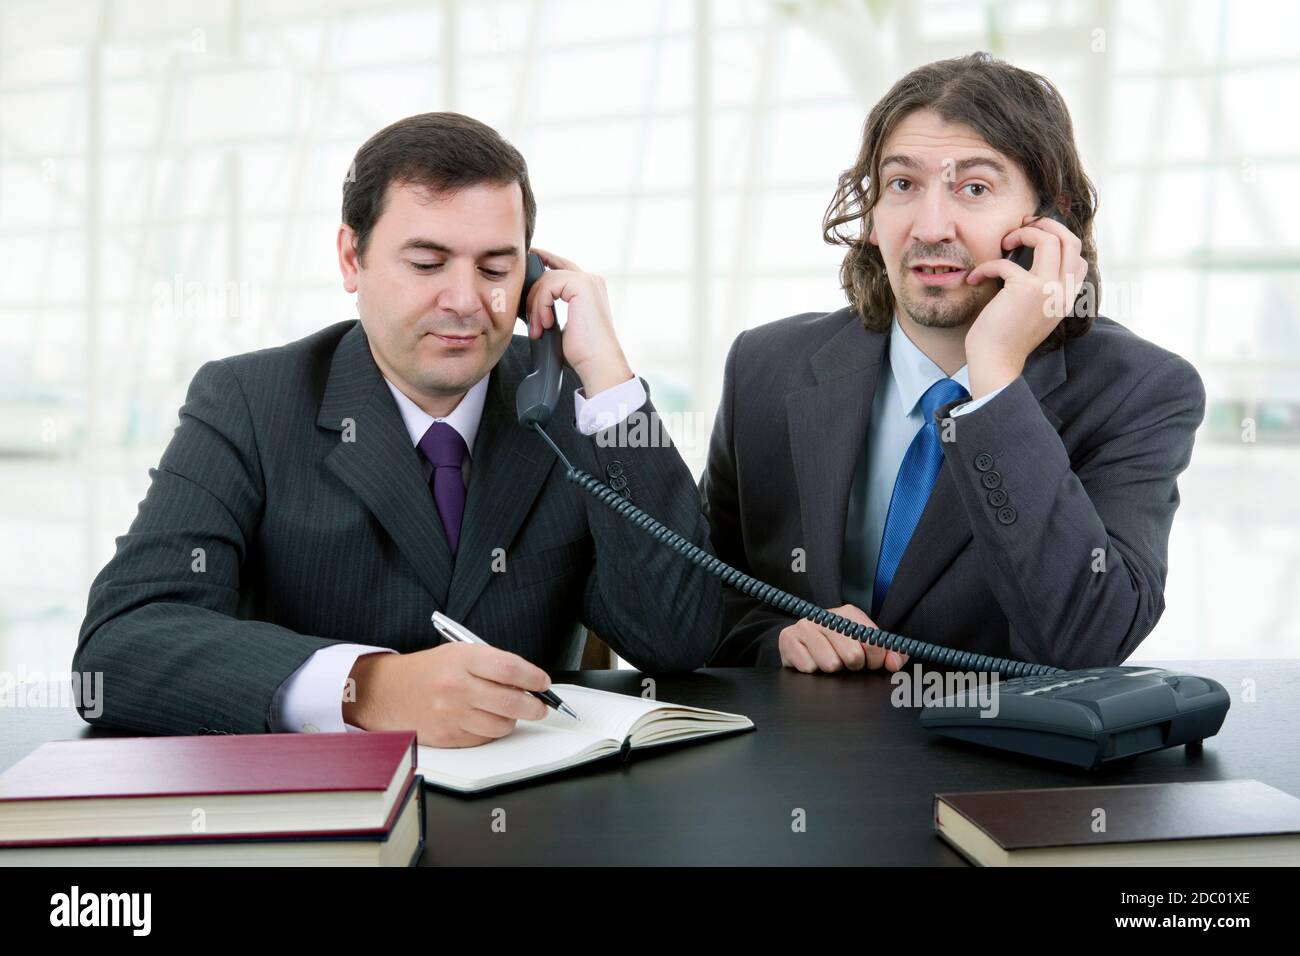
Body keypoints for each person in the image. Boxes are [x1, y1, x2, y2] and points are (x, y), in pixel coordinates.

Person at [75, 112, 721, 746]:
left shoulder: (570, 406)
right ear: (352, 259)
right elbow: (119, 645)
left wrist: (606, 374)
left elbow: (679, 636)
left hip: (533, 821)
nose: (467, 301)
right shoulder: (248, 403)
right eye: (427, 263)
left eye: (496, 269)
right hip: (320, 827)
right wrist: (371, 688)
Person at [702, 52, 1204, 674]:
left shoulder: (1142, 391)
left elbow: (1089, 639)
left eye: (974, 188)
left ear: (1051, 220)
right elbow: (701, 600)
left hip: (1000, 765)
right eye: (903, 185)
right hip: (801, 757)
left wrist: (994, 380)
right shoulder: (764, 366)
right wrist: (776, 640)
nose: (931, 225)